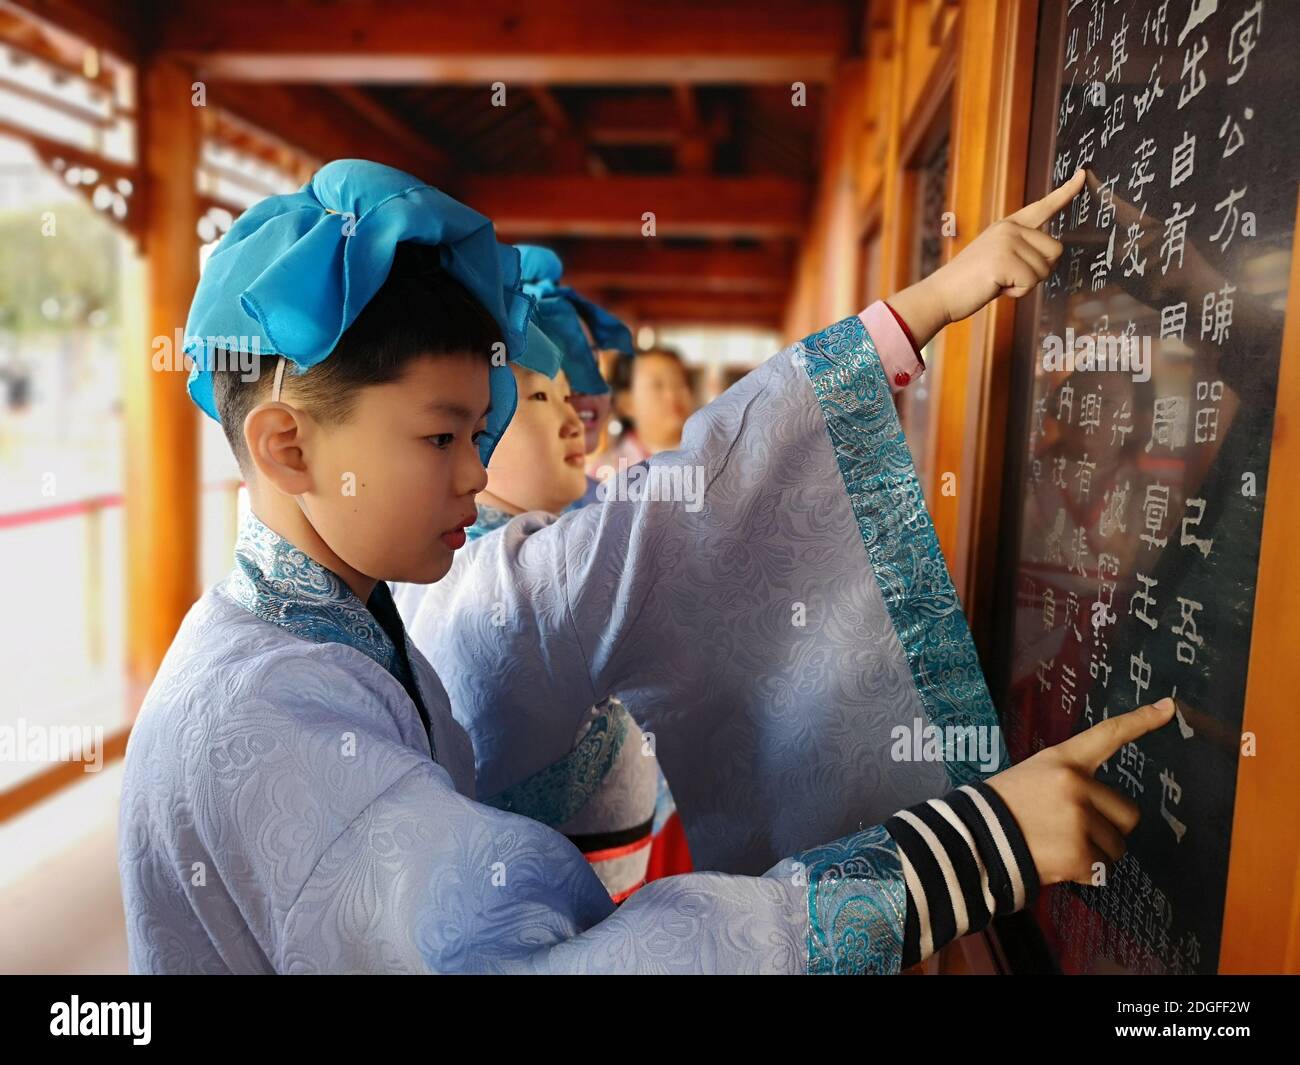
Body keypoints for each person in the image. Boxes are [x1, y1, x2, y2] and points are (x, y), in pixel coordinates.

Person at [119, 159, 1174, 974]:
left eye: (483, 429)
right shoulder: (270, 711)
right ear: (287, 447)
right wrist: (969, 848)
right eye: (443, 438)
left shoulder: (341, 627)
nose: (474, 471)